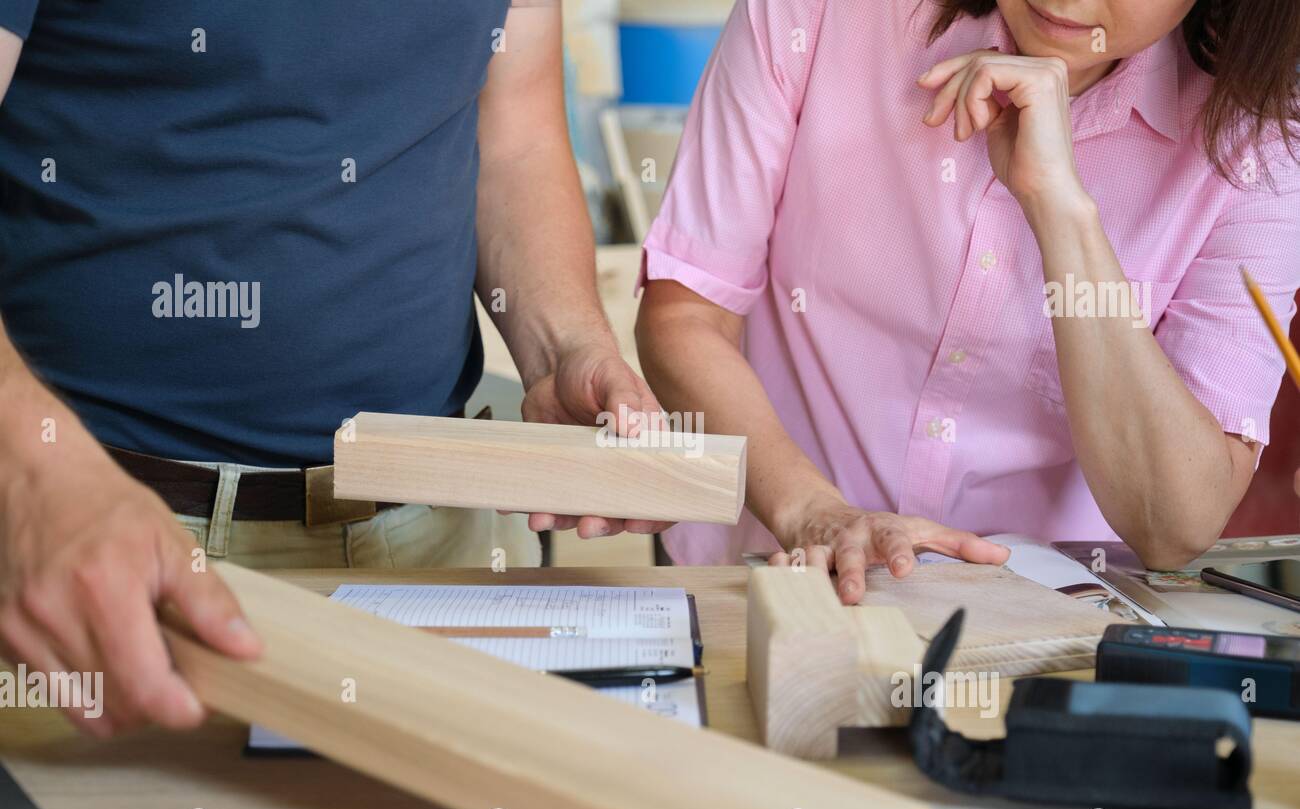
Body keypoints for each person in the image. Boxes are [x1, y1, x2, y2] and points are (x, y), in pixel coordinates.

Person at [0, 0, 666, 736]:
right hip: (103, 555)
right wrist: (32, 478)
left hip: (433, 543)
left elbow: (515, 141)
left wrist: (567, 346)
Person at [636, 0, 1300, 604]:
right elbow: (685, 317)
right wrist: (814, 513)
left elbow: (1174, 523)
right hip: (761, 580)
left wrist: (1061, 212)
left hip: (1047, 629)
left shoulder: (1256, 145)